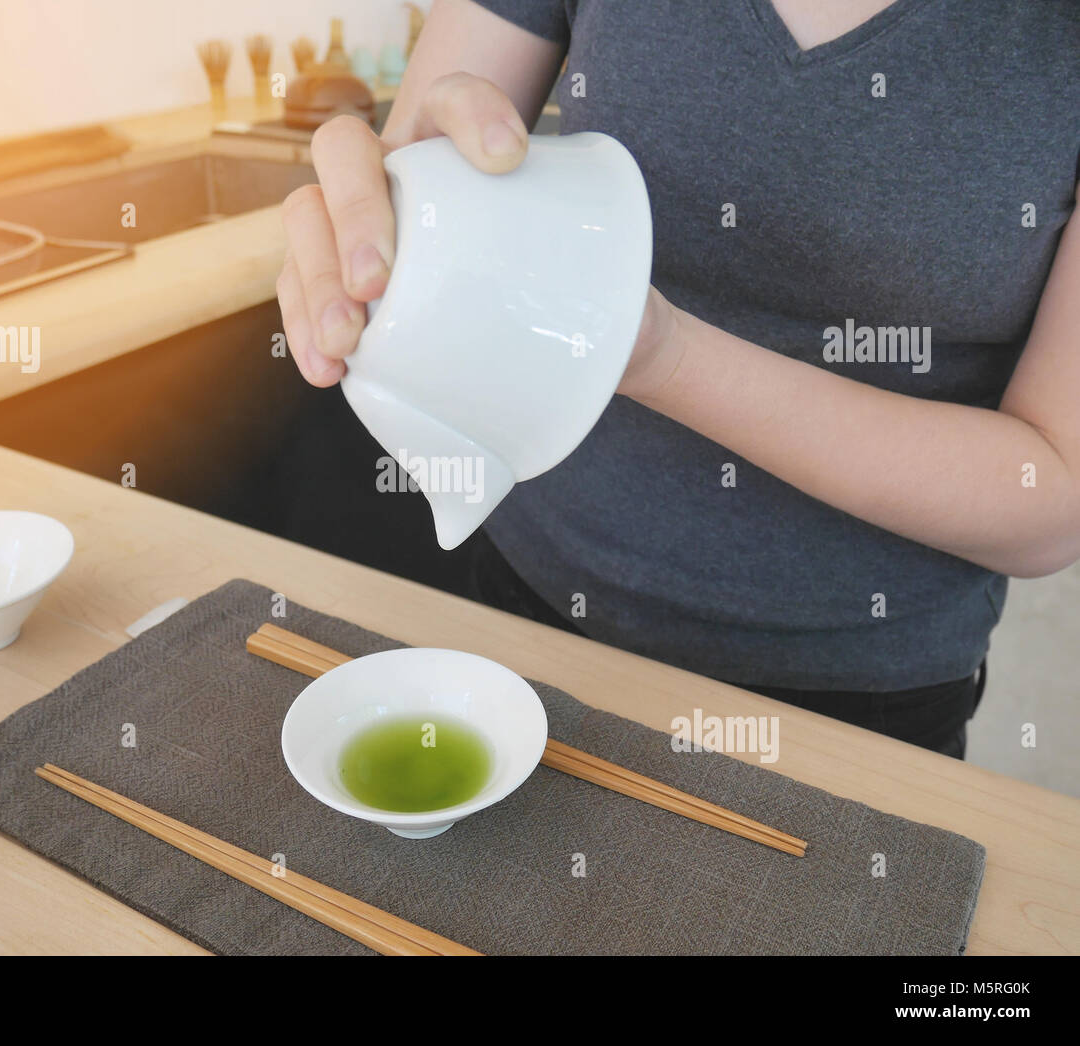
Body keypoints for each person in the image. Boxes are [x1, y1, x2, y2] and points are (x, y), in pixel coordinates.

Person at [274, 0, 1080, 759]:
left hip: (857, 700)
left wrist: (666, 357)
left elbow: (1053, 490)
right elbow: (406, 172)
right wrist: (379, 232)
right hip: (532, 605)